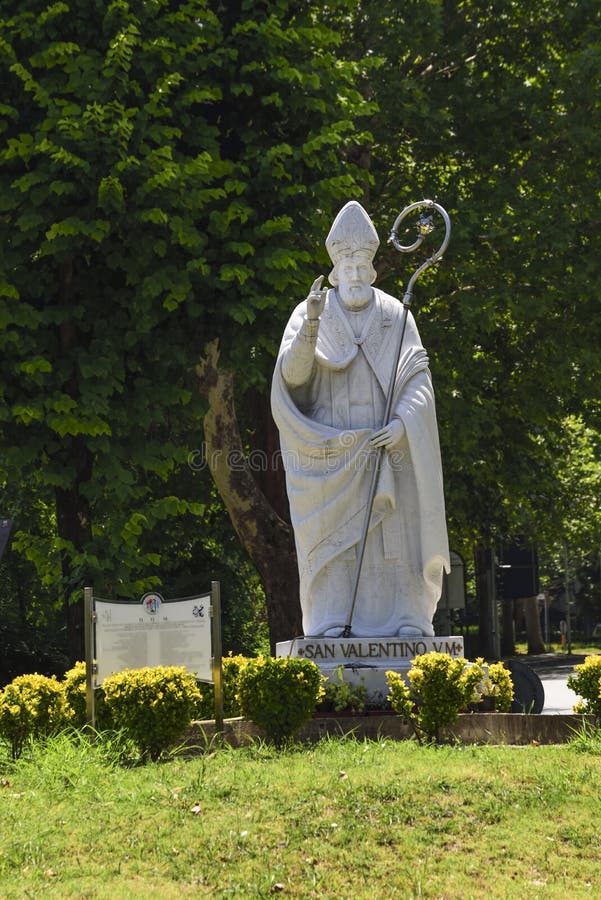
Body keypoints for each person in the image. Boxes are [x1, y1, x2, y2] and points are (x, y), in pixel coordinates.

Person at [271, 201, 449, 637]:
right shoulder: (310, 311)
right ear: (336, 272)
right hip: (331, 454)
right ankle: (331, 618)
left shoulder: (395, 315)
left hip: (388, 447)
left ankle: (406, 617)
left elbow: (417, 379)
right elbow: (292, 378)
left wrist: (403, 423)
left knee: (394, 537)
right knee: (336, 541)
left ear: (370, 270)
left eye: (359, 267)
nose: (353, 274)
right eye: (345, 267)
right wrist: (311, 326)